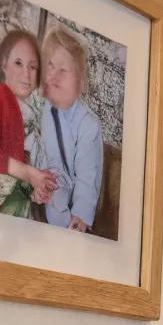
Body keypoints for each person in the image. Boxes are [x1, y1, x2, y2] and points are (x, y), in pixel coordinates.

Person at [0, 29, 57, 216]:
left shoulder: (30, 110)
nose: (26, 73)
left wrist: (34, 191)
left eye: (33, 67)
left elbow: (18, 176)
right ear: (3, 65)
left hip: (15, 205)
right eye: (18, 63)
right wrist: (29, 173)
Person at [40, 26, 103, 233]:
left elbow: (88, 176)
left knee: (56, 208)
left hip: (64, 189)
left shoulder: (88, 124)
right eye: (50, 66)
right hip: (39, 177)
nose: (54, 76)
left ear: (80, 81)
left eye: (63, 71)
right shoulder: (43, 107)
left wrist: (81, 215)